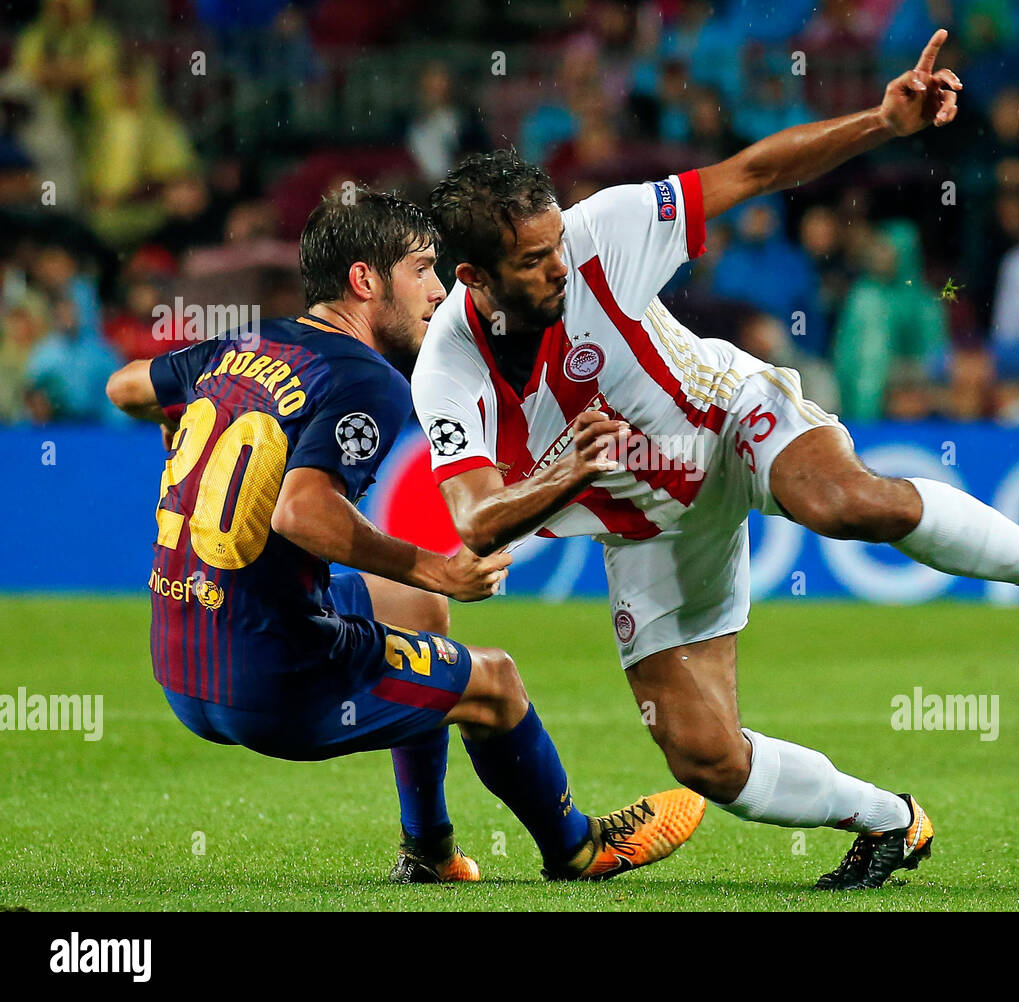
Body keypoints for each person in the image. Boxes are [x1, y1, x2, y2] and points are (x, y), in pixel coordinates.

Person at [413, 30, 1019, 891]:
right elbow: (475, 522)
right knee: (705, 759)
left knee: (844, 502)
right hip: (646, 529)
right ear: (475, 276)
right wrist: (566, 473)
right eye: (534, 264)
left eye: (556, 247)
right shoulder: (449, 364)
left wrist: (881, 120)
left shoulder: (602, 230)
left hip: (729, 417)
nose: (560, 269)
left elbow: (752, 173)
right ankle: (891, 820)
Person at [104, 187, 704, 885]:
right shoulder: (367, 378)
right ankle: (577, 847)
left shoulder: (246, 343)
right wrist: (439, 569)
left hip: (182, 667)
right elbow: (304, 513)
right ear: (365, 280)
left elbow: (125, 388)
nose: (440, 287)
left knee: (414, 613)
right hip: (271, 684)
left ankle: (430, 851)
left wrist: (181, 424)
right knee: (497, 683)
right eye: (421, 268)